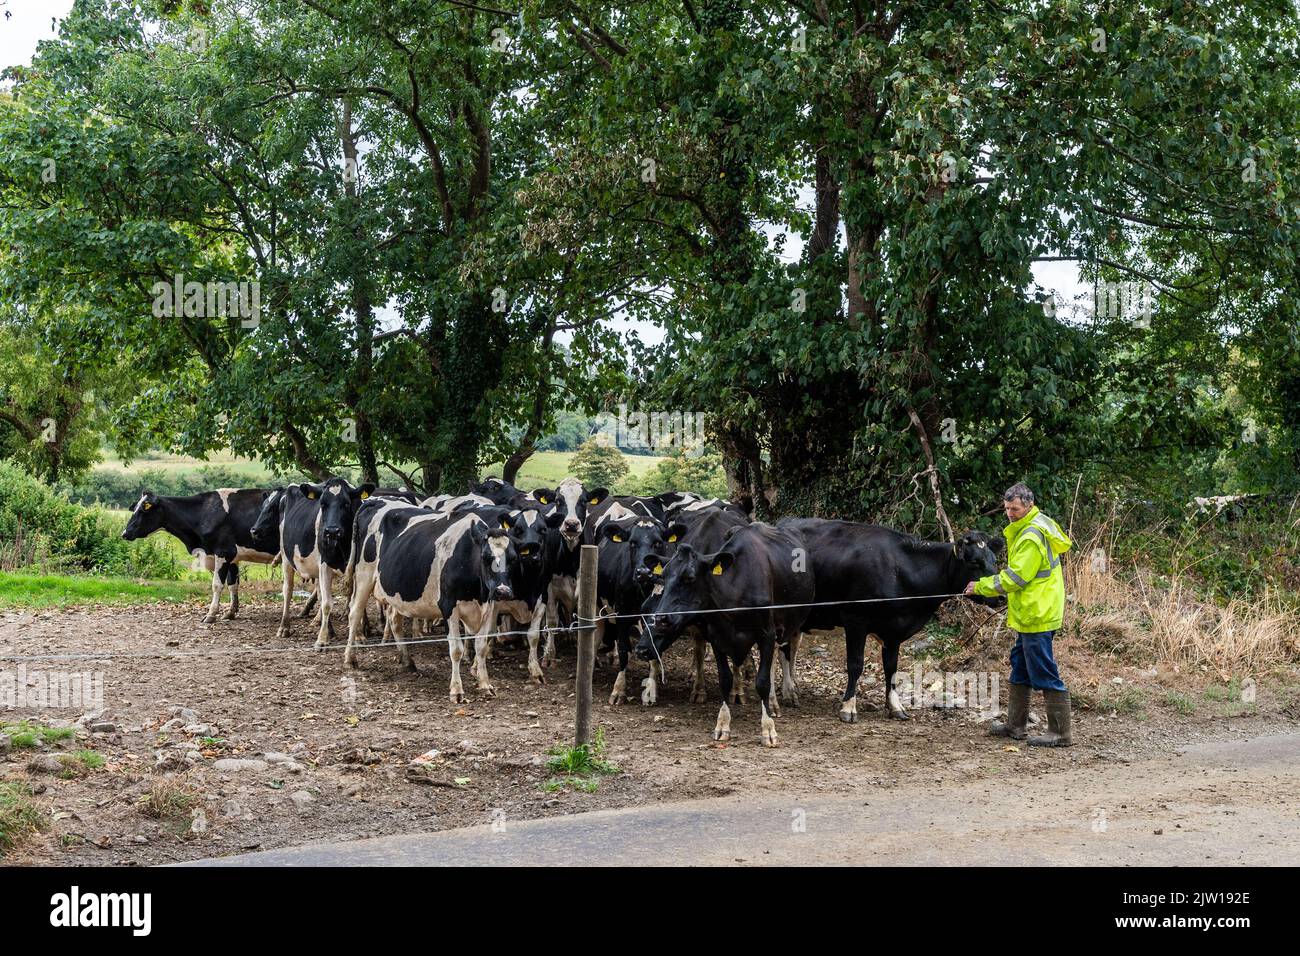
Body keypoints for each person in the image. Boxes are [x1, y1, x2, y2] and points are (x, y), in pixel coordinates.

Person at [965, 482, 1074, 746]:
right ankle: (1016, 725)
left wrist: (981, 585)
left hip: (1038, 612)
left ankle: (1060, 733)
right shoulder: (1032, 525)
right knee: (1021, 666)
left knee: (1043, 670)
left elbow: (1016, 577)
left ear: (1029, 506)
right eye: (1006, 508)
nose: (1009, 513)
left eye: (1014, 509)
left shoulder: (1030, 536)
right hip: (1032, 610)